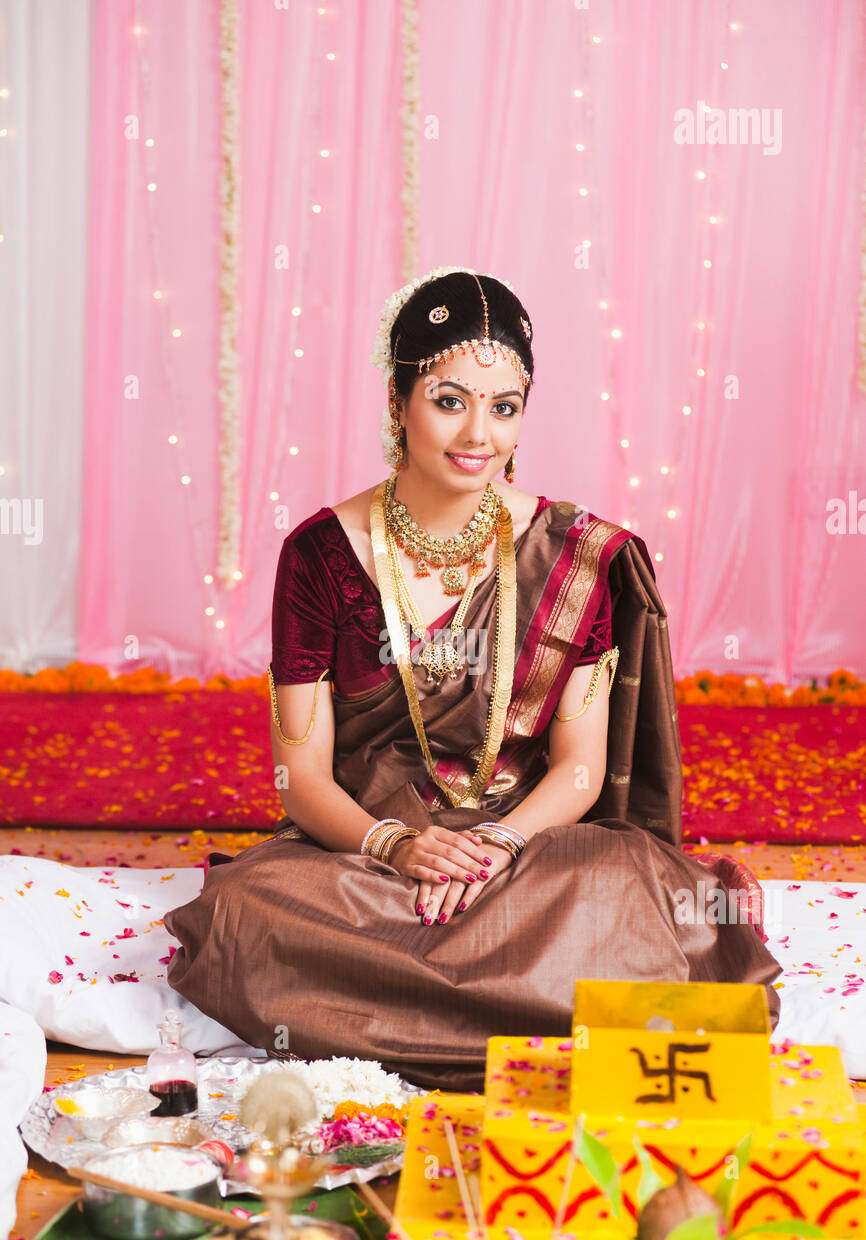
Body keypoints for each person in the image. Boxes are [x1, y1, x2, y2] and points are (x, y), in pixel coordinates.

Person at [164, 266, 782, 1091]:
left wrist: (493, 845)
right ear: (398, 400)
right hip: (373, 857)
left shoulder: (580, 557)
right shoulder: (320, 556)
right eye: (450, 399)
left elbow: (580, 768)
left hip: (529, 846)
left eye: (504, 406)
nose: (477, 434)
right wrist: (405, 848)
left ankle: (404, 1001)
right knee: (246, 916)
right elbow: (302, 779)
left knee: (620, 893)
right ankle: (533, 1006)